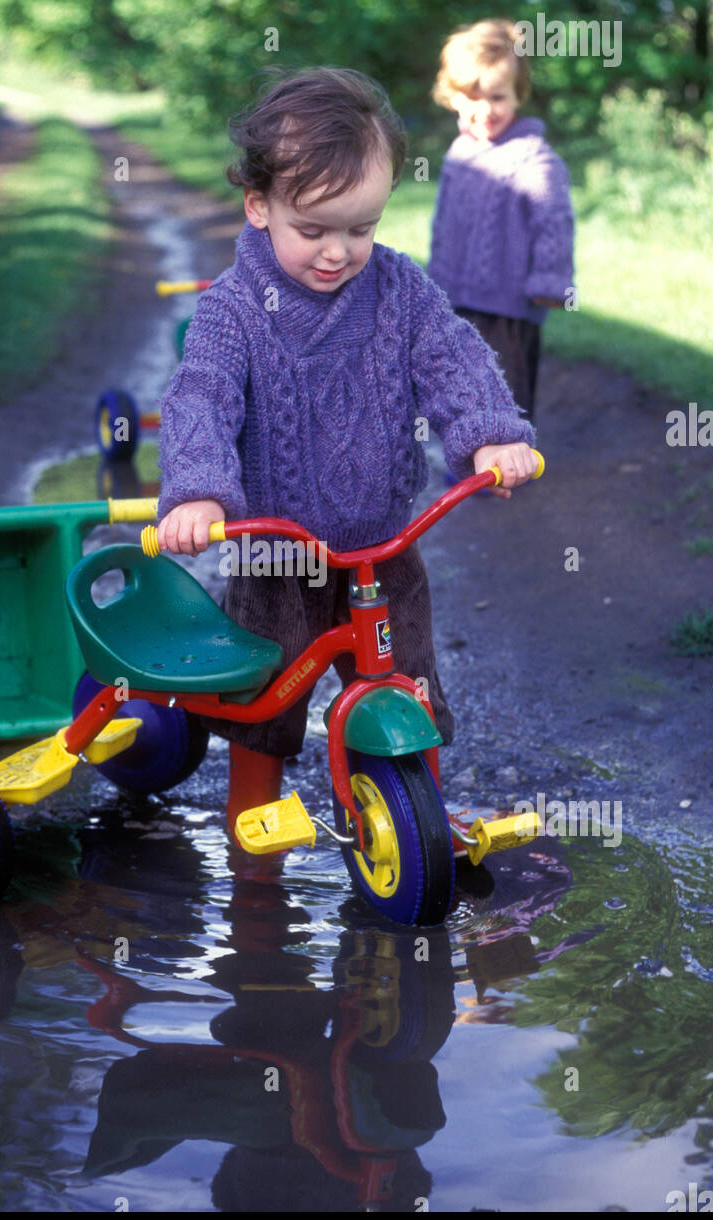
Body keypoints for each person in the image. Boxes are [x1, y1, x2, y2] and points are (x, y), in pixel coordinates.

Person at [156, 67, 538, 837]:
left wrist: (488, 432)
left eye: (360, 229)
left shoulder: (399, 289)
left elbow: (451, 357)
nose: (338, 252)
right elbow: (200, 397)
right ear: (258, 205)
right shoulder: (233, 309)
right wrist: (198, 488)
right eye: (315, 229)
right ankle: (252, 830)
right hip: (279, 556)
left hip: (379, 547)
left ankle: (413, 812)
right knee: (264, 702)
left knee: (405, 684)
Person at [428, 19, 575, 422]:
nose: (485, 110)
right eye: (472, 97)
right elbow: (444, 224)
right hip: (457, 295)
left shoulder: (533, 157)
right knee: (456, 383)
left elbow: (554, 221)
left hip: (507, 305)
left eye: (497, 97)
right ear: (452, 96)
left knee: (504, 389)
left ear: (517, 96)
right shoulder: (460, 153)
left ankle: (505, 470)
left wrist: (551, 279)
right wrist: (435, 279)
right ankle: (466, 464)